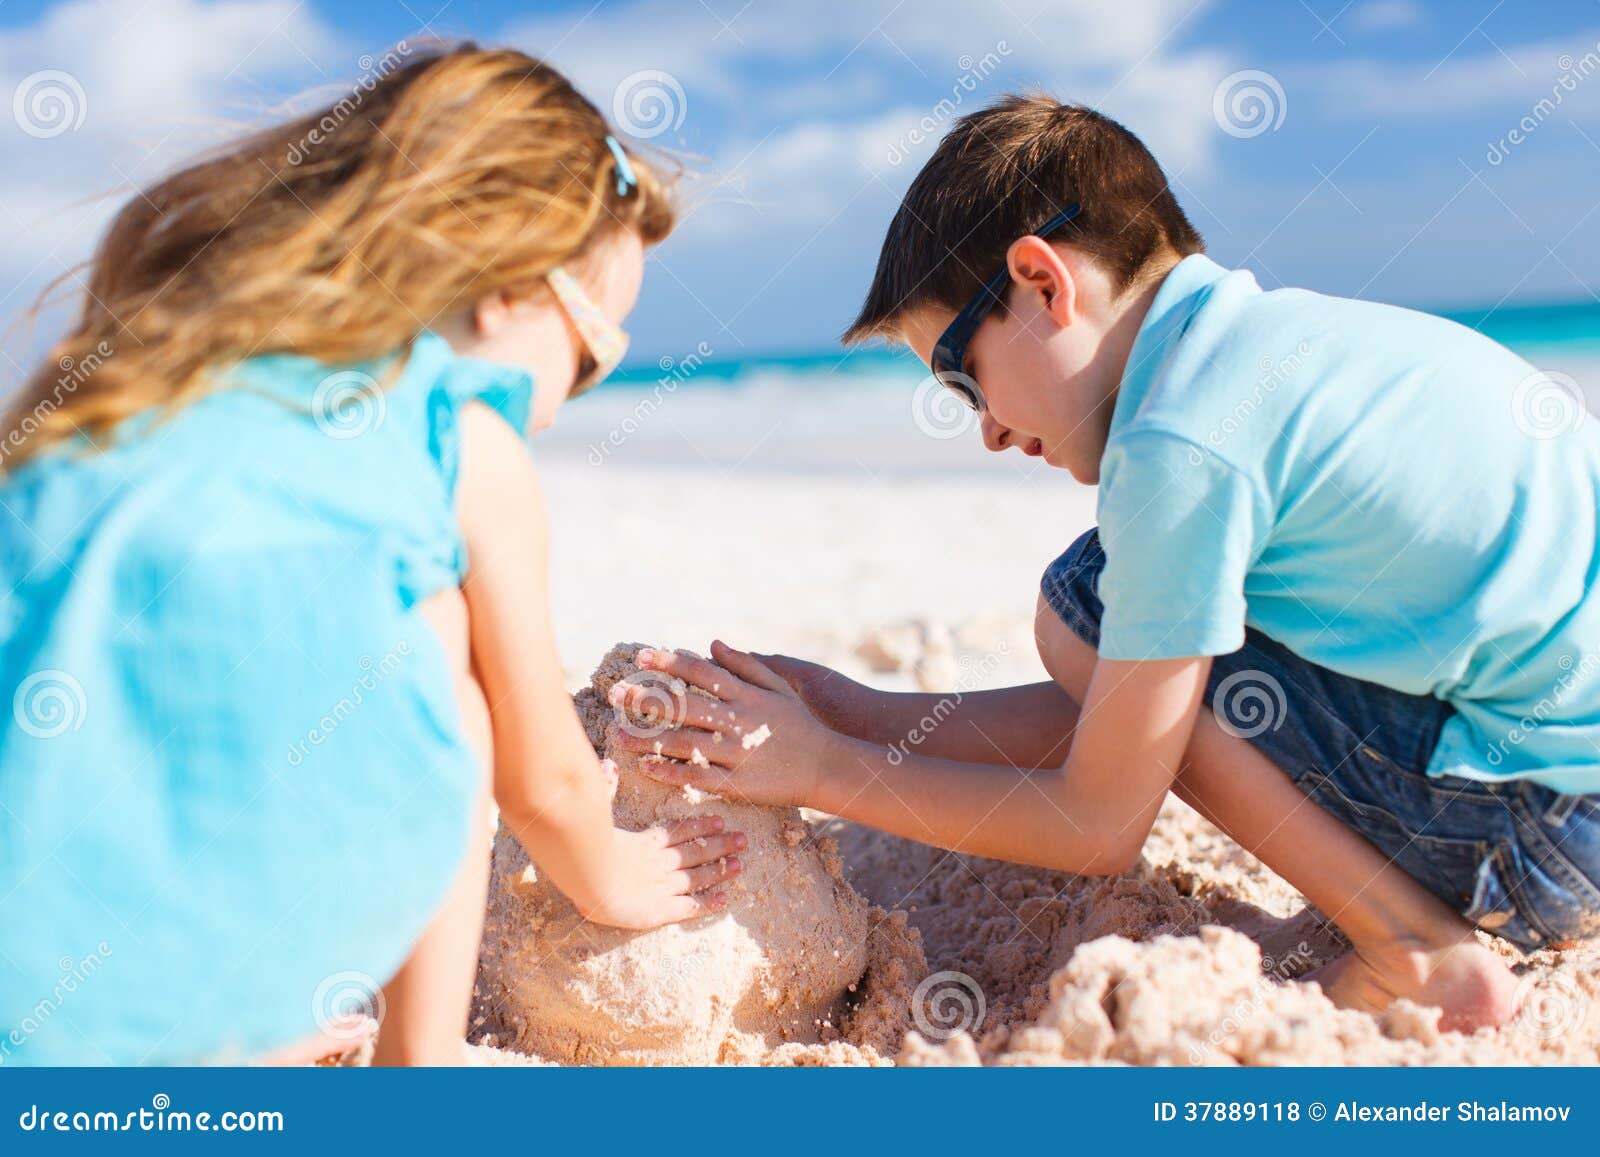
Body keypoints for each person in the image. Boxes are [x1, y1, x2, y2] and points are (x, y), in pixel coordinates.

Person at [615, 95, 1600, 1033]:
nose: (989, 431)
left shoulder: (1182, 445)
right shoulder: (1274, 350)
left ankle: (1414, 947)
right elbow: (1147, 719)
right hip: (1556, 791)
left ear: (1044, 281)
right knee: (1116, 611)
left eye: (965, 379)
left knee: (1084, 601)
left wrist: (824, 765)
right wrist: (863, 714)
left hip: (1531, 837)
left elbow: (1100, 818)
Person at [0, 44, 743, 1066]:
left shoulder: (120, 375)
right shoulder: (464, 439)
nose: (576, 394)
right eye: (592, 353)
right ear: (509, 290)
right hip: (141, 1031)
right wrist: (614, 872)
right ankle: (414, 1069)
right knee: (448, 655)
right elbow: (546, 785)